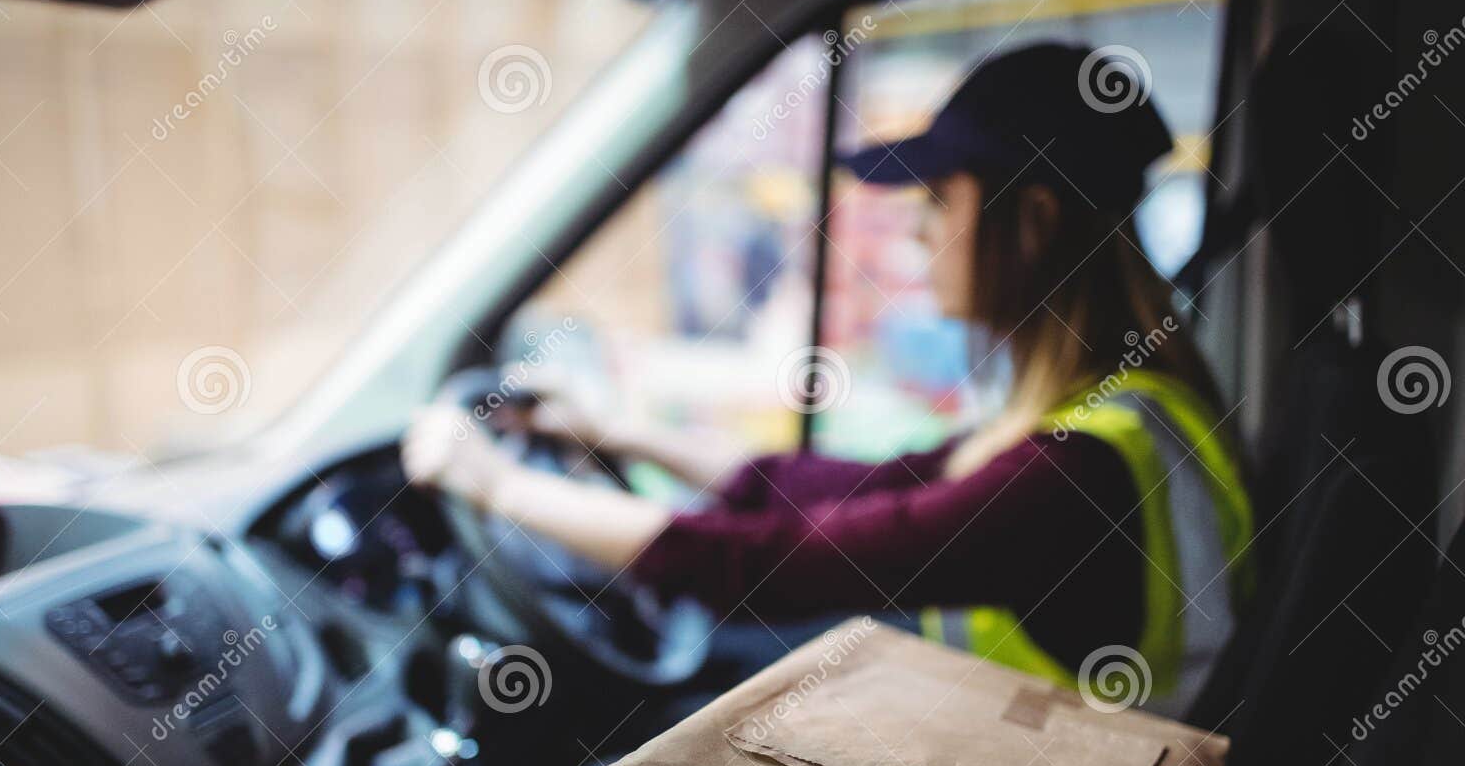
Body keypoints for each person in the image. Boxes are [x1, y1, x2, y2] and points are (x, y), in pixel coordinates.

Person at [405, 41, 1253, 718]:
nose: (918, 233)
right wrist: (613, 432)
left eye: (939, 200)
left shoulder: (1069, 476)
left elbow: (767, 567)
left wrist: (494, 483)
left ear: (1032, 221)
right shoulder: (1112, 417)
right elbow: (848, 489)